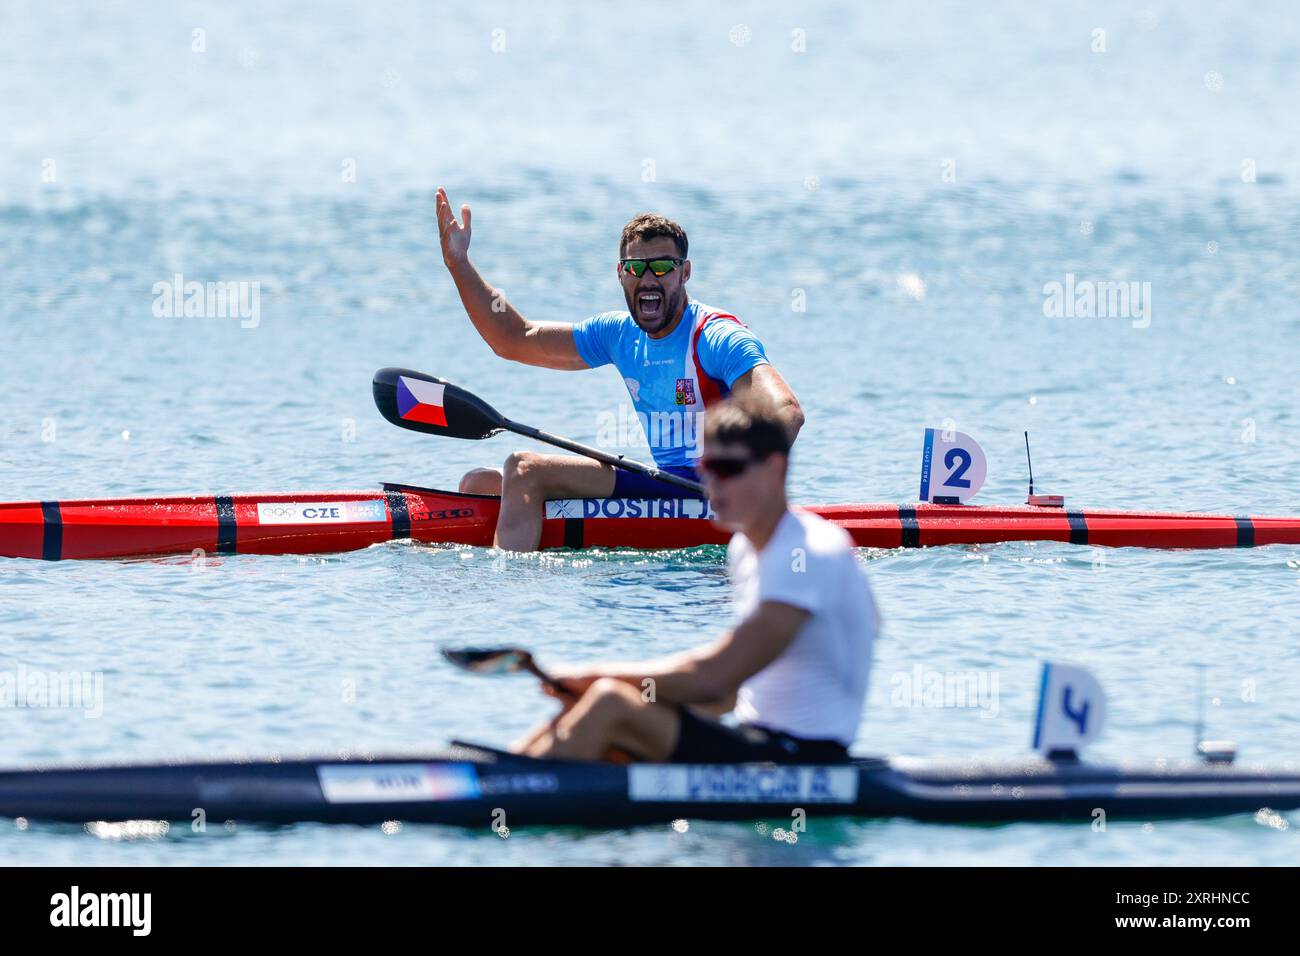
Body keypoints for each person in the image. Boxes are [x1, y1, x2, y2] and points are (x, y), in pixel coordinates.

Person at [511, 396, 880, 764]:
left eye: (726, 468)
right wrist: (620, 697)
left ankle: (503, 791)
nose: (712, 484)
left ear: (774, 469)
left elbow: (714, 676)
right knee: (603, 704)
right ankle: (506, 770)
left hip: (806, 757)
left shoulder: (809, 551)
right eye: (705, 468)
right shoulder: (744, 549)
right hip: (752, 737)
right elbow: (724, 697)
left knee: (609, 701)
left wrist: (593, 676)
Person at [435, 187, 804, 551]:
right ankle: (520, 536)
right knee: (478, 484)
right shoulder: (619, 334)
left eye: (662, 267)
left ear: (685, 273)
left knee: (523, 468)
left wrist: (742, 481)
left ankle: (506, 595)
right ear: (620, 273)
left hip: (708, 488)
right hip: (665, 483)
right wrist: (459, 265)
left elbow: (786, 411)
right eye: (635, 268)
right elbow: (514, 339)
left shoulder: (715, 336)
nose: (648, 279)